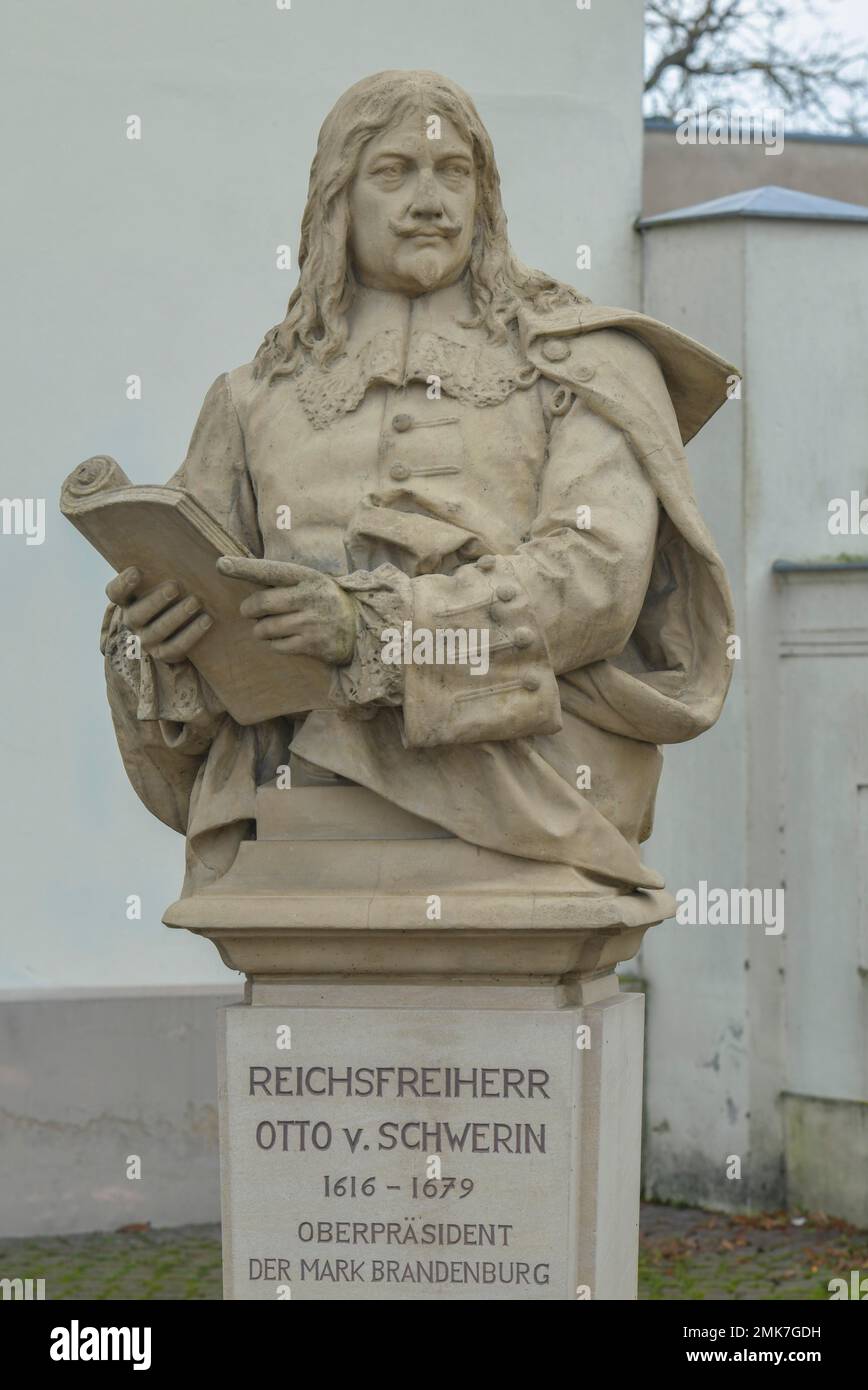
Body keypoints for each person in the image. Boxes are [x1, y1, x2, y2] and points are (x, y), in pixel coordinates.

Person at [102, 69, 735, 899]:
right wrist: (157, 631)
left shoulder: (587, 364)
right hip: (297, 802)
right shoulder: (252, 396)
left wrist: (373, 628)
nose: (430, 200)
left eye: (454, 173)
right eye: (393, 172)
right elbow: (204, 594)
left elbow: (597, 576)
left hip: (535, 789)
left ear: (485, 198)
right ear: (338, 201)